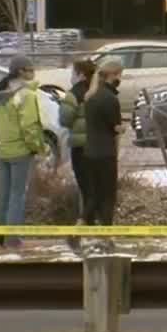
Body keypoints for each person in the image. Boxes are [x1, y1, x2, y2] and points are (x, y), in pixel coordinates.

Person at [0, 56, 47, 250]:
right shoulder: (26, 95)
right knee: (17, 194)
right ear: (22, 71)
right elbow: (30, 127)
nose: (33, 72)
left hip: (2, 149)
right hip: (20, 150)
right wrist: (39, 148)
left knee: (3, 194)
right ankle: (13, 238)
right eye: (31, 69)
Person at [59, 58, 96, 248]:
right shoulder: (98, 91)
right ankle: (90, 226)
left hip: (80, 147)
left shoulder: (73, 95)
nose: (71, 77)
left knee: (86, 188)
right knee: (95, 189)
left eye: (73, 73)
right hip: (98, 145)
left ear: (80, 74)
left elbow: (65, 119)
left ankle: (80, 226)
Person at [84, 61, 124, 235]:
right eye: (119, 75)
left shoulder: (90, 96)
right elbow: (114, 127)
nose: (120, 78)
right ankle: (106, 232)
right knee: (108, 196)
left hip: (90, 151)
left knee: (93, 195)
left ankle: (81, 226)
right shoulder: (110, 99)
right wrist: (121, 128)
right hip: (106, 152)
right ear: (112, 75)